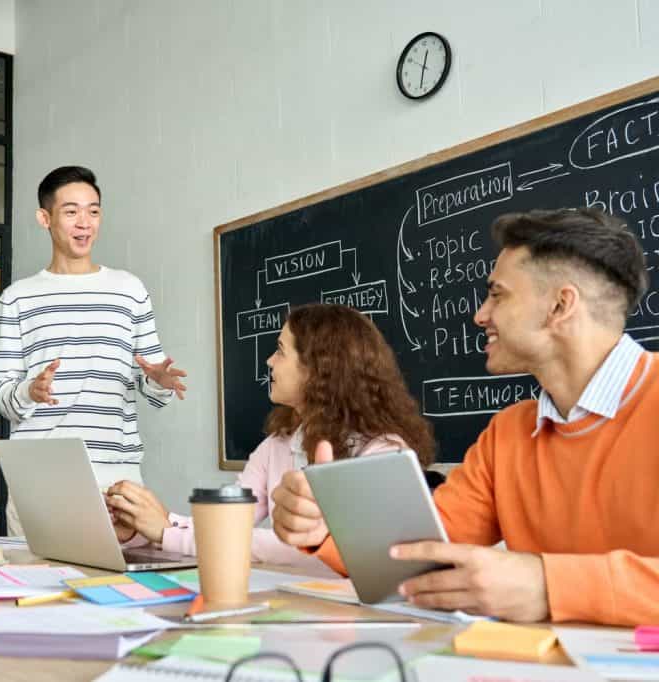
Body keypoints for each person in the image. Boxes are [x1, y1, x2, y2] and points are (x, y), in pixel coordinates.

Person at [272, 208, 659, 626]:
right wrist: (323, 529)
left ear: (560, 305)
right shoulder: (509, 433)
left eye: (498, 294)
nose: (480, 314)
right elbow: (416, 554)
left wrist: (549, 586)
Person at [106, 303, 435, 570]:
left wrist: (165, 531)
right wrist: (141, 528)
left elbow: (305, 547)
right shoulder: (276, 445)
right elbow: (226, 522)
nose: (269, 361)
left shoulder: (383, 452)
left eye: (280, 351)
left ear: (318, 368)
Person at [0, 166, 188, 529]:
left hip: (117, 476)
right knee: (38, 584)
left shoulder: (130, 289)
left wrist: (158, 379)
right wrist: (30, 391)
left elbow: (157, 395)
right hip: (42, 474)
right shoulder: (16, 298)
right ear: (44, 218)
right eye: (71, 211)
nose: (84, 222)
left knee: (117, 585)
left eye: (93, 211)